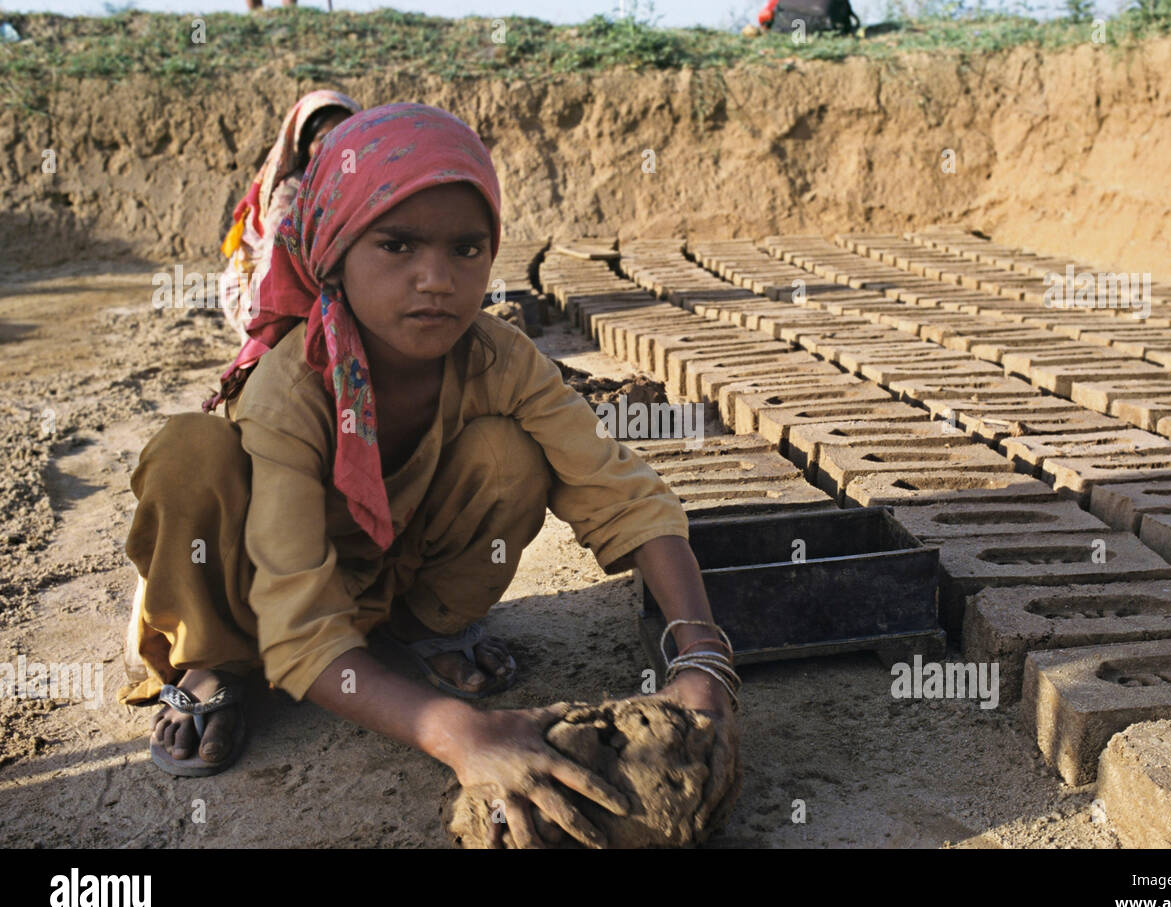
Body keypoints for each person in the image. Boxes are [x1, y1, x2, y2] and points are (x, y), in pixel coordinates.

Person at [123, 103, 739, 848]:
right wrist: (460, 734)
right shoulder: (293, 389)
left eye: (467, 249)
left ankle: (413, 632)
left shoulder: (498, 357)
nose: (437, 280)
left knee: (510, 453)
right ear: (334, 252)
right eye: (398, 245)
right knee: (191, 453)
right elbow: (299, 624)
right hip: (262, 594)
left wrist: (702, 654)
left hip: (391, 579)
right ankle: (215, 662)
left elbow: (626, 495)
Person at [217, 90, 361, 341]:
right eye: (325, 138)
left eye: (347, 134)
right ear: (305, 146)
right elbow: (275, 259)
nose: (339, 146)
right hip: (262, 286)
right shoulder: (290, 193)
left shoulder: (354, 180)